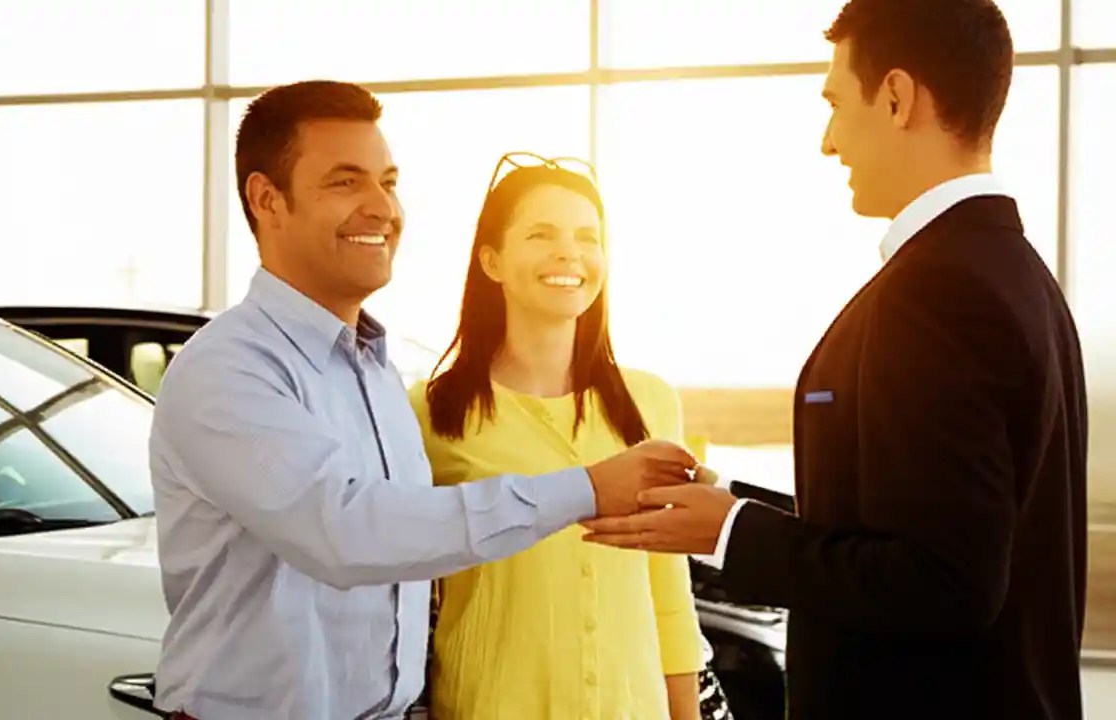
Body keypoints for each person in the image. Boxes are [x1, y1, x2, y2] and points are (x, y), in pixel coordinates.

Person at [581, 1, 1089, 719]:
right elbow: (924, 525)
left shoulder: (940, 292)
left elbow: (947, 583)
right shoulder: (1019, 276)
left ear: (895, 97)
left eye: (835, 102)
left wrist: (729, 533)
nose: (828, 141)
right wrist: (735, 504)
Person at [147, 80, 698, 720]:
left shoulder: (375, 375)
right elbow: (347, 532)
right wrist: (590, 489)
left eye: (388, 181)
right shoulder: (229, 368)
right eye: (346, 182)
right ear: (267, 199)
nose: (381, 207)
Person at [408, 153, 729, 720]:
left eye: (588, 237)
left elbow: (669, 595)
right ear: (491, 260)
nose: (569, 253)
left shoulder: (650, 401)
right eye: (541, 234)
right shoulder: (429, 413)